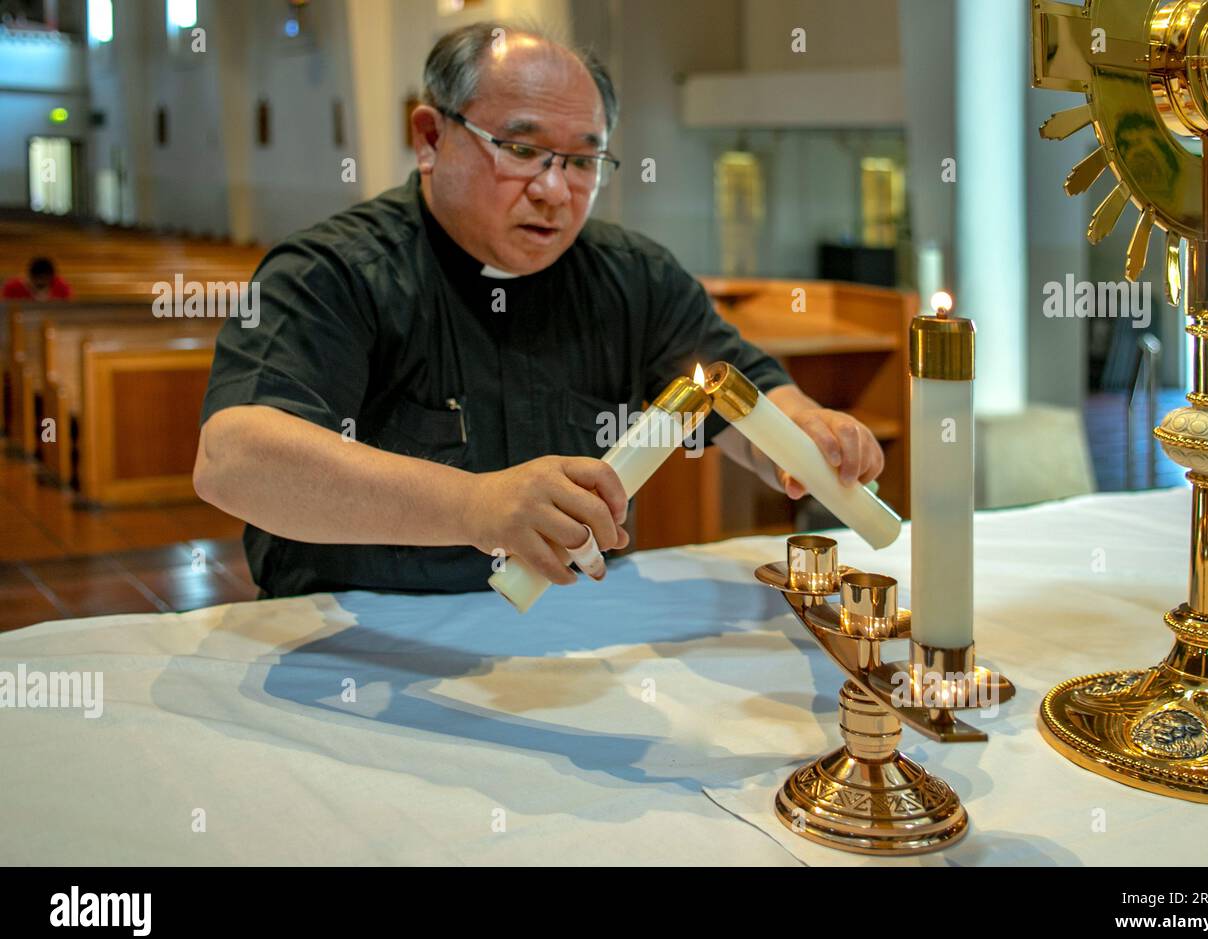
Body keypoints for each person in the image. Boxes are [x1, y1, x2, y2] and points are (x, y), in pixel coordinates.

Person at [193, 21, 884, 598]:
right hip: (367, 642)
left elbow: (740, 393)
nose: (555, 190)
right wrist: (474, 505)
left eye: (583, 161)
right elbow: (235, 459)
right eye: (522, 150)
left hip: (571, 635)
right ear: (431, 138)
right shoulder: (335, 273)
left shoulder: (631, 274)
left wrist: (808, 435)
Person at [2, 257, 73, 300]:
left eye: (44, 284)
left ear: (52, 279)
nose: (41, 285)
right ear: (30, 277)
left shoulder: (62, 288)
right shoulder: (12, 287)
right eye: (37, 285)